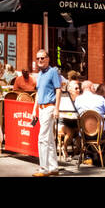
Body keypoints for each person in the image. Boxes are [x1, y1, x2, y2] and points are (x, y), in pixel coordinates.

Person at [31, 49, 63, 178]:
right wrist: (34, 109)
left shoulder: (53, 72)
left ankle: (44, 169)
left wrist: (57, 108)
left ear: (48, 59)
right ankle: (53, 167)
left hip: (50, 107)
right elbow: (38, 93)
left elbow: (58, 90)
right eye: (38, 58)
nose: (40, 60)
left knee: (42, 139)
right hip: (42, 108)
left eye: (42, 58)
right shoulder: (40, 74)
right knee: (48, 139)